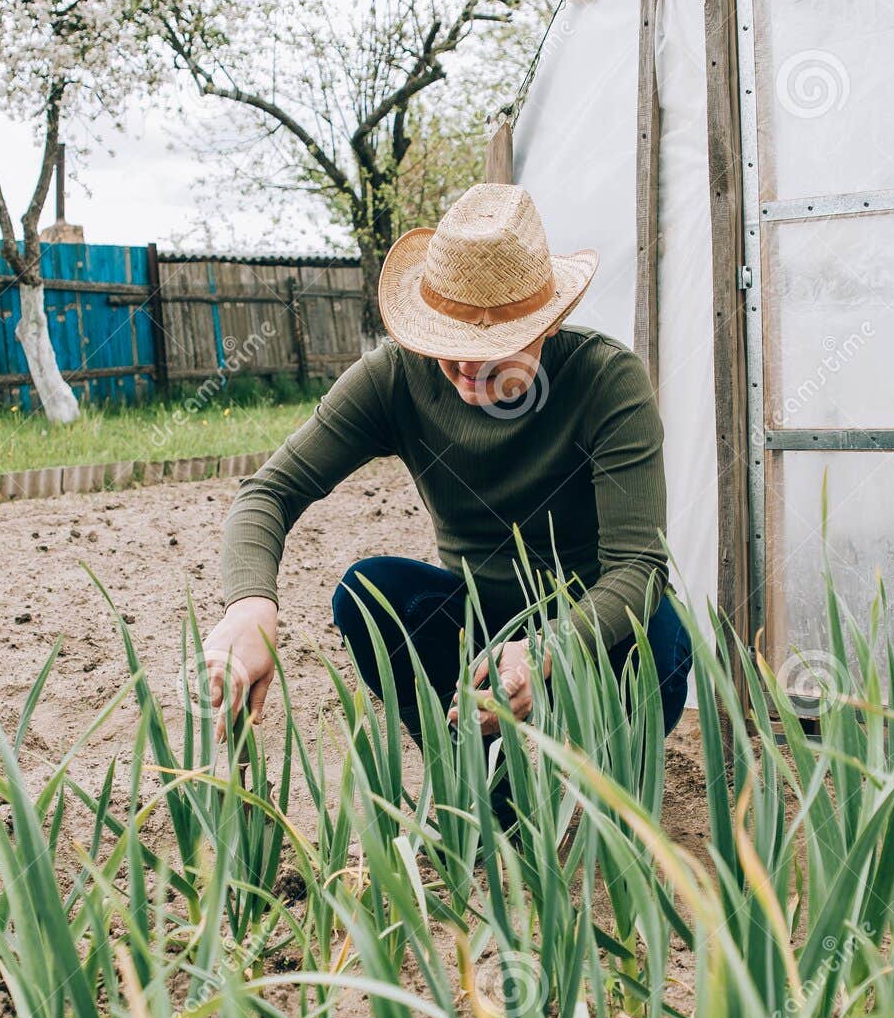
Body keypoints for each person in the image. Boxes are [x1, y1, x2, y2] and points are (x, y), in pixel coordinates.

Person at [202, 183, 692, 810]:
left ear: (547, 323)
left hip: (600, 629)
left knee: (663, 651)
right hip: (480, 622)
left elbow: (638, 569)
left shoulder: (605, 381)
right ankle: (470, 769)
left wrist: (548, 652)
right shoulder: (396, 377)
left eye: (491, 349)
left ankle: (598, 768)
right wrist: (249, 606)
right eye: (448, 342)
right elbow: (270, 491)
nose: (464, 368)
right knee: (366, 593)